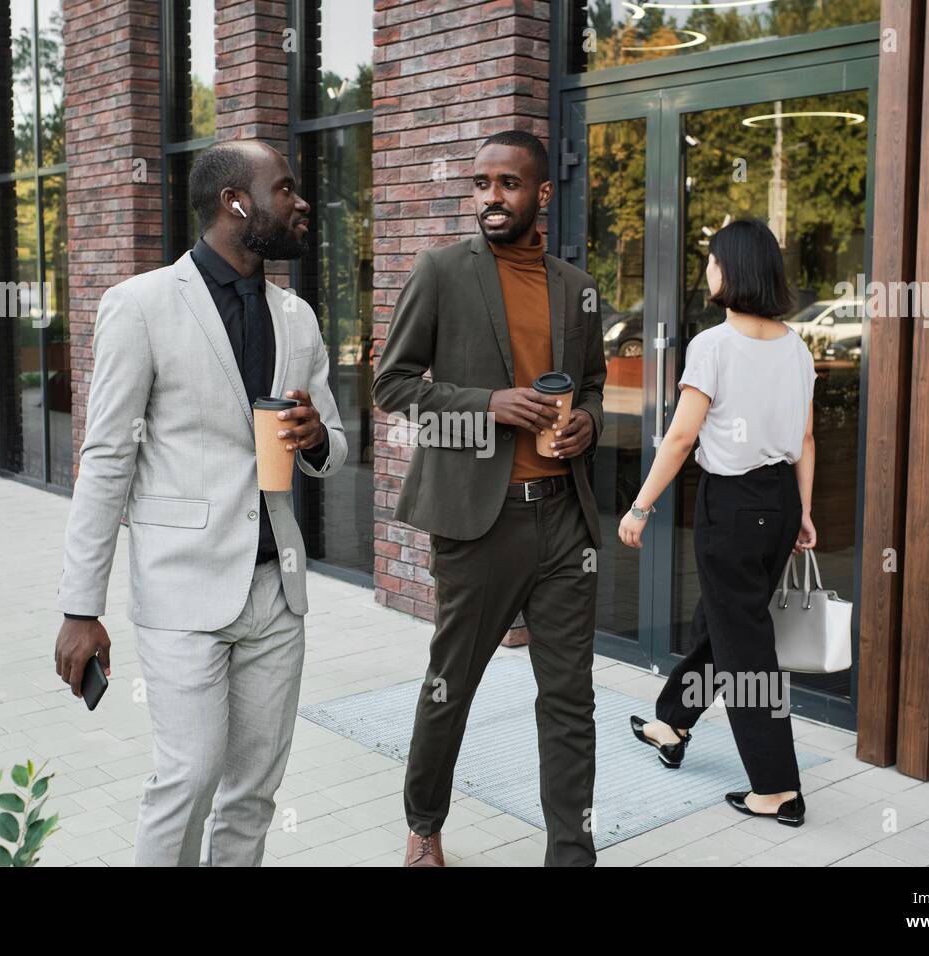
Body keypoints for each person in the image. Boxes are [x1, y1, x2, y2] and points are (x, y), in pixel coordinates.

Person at [53, 141, 346, 865]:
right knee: (188, 777)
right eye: (286, 189)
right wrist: (79, 607)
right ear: (236, 203)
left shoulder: (297, 317)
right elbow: (106, 458)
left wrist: (314, 440)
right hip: (183, 587)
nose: (301, 202)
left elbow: (335, 442)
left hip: (278, 593)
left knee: (252, 793)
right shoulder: (141, 306)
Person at [374, 130, 607, 866]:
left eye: (507, 184)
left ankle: (572, 852)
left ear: (541, 194)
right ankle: (423, 823)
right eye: (480, 184)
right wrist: (487, 404)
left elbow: (593, 380)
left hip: (565, 521)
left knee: (570, 698)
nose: (490, 198)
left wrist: (589, 425)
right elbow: (393, 385)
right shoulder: (443, 271)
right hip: (478, 523)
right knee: (452, 685)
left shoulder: (576, 287)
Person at [619, 219, 816, 827]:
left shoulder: (714, 345)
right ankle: (672, 722)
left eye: (711, 261)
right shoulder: (798, 346)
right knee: (727, 621)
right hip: (779, 500)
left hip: (731, 506)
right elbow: (806, 437)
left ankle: (777, 787)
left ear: (732, 270)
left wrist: (640, 505)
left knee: (745, 648)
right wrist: (803, 511)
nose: (707, 270)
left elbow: (681, 438)